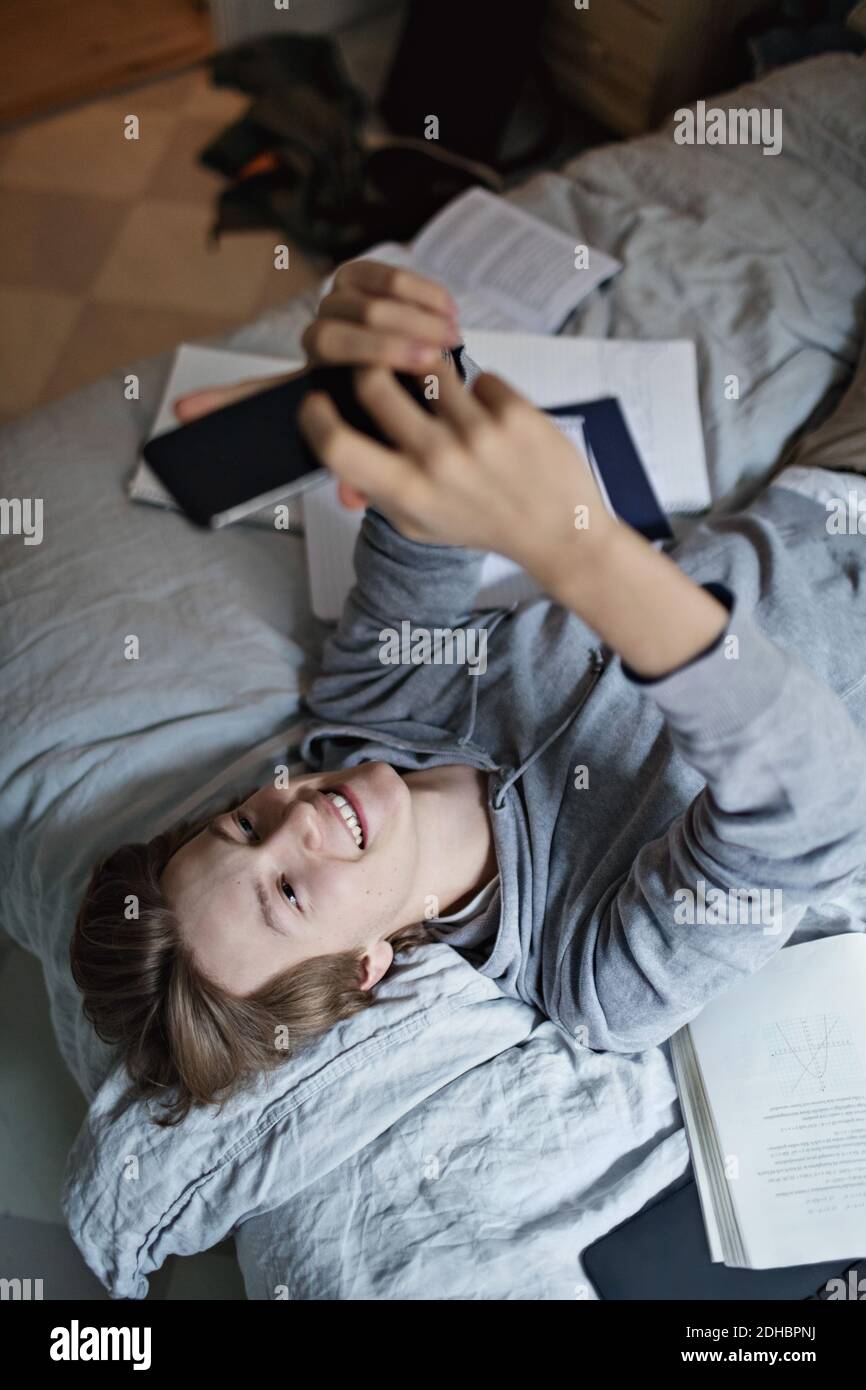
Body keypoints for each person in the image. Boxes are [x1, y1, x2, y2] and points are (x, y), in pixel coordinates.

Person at [71, 258, 866, 1124]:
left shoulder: (373, 703)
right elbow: (817, 812)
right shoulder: (596, 974)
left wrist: (408, 360)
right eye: (289, 892)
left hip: (826, 491)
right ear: (363, 969)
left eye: (245, 825)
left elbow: (432, 484)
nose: (296, 820)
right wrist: (583, 555)